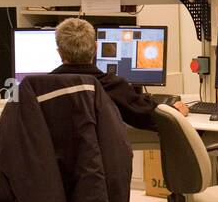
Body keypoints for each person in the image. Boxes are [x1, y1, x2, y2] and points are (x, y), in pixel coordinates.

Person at [50, 18, 189, 130]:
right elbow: (148, 117)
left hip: (51, 163)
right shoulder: (112, 86)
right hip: (99, 163)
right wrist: (174, 111)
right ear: (96, 48)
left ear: (59, 52)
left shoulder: (39, 88)